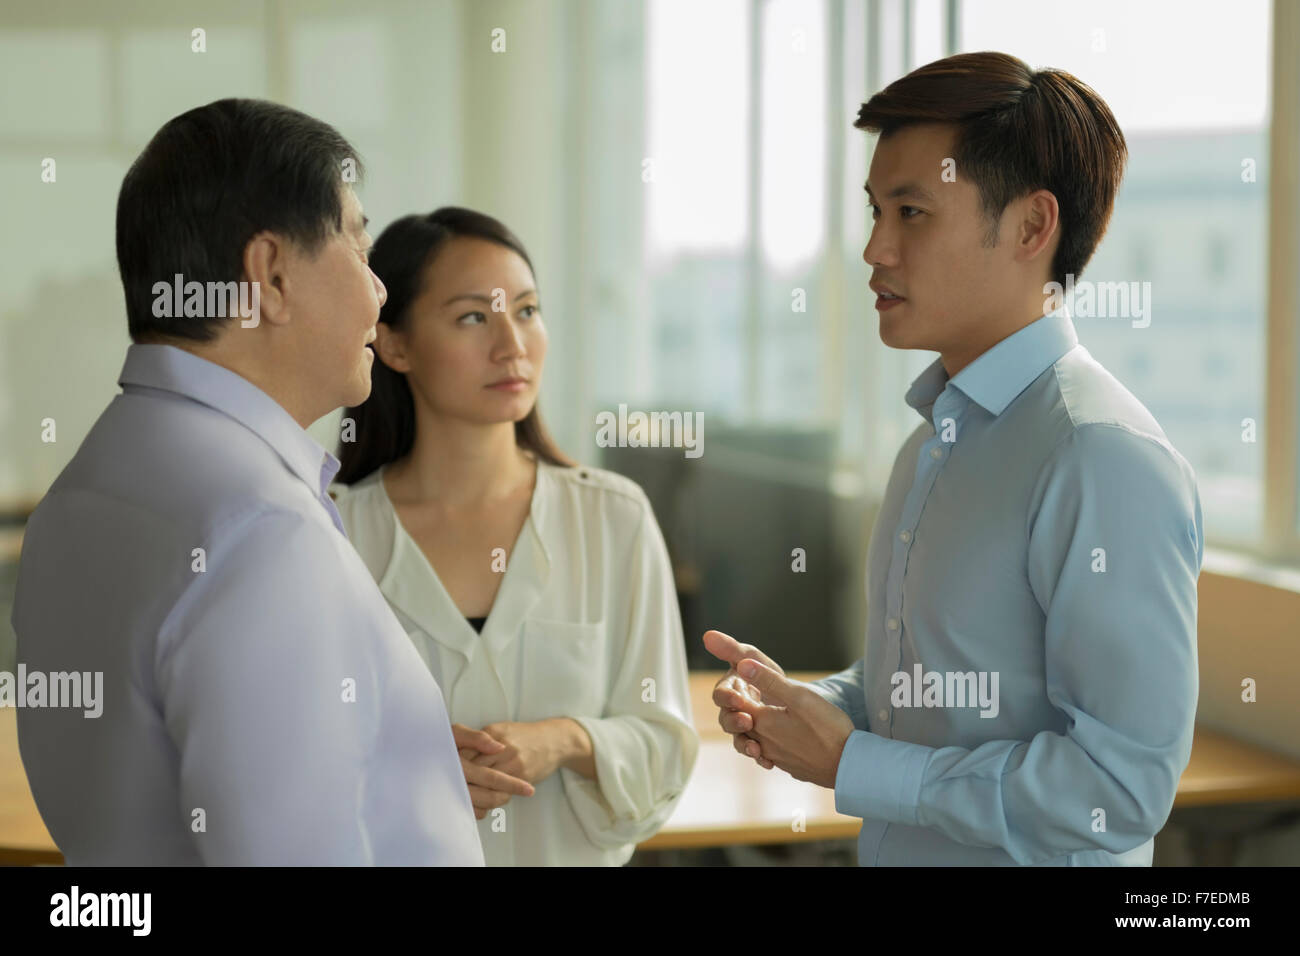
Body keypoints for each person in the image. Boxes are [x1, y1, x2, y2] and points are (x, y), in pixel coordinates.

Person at [709, 51, 1204, 866]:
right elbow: (941, 690)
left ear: (1032, 227)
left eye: (911, 212)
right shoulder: (934, 440)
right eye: (874, 211)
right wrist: (813, 707)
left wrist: (857, 766)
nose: (874, 248)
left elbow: (1119, 792)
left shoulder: (1098, 456)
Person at [11, 99, 483, 865]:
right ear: (270, 274)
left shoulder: (88, 486)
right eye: (358, 250)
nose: (379, 292)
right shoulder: (261, 531)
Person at [331, 207, 698, 866]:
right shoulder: (335, 533)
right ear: (394, 345)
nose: (512, 345)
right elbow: (292, 756)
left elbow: (667, 746)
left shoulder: (612, 517)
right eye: (474, 317)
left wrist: (566, 739)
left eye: (526, 311)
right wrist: (402, 772)